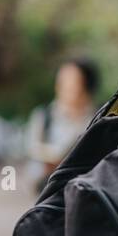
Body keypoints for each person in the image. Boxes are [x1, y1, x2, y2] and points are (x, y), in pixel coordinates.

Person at [25, 57, 99, 193]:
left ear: (87, 85)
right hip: (53, 199)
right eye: (62, 82)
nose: (66, 87)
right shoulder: (44, 117)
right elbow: (32, 165)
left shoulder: (100, 117)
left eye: (73, 82)